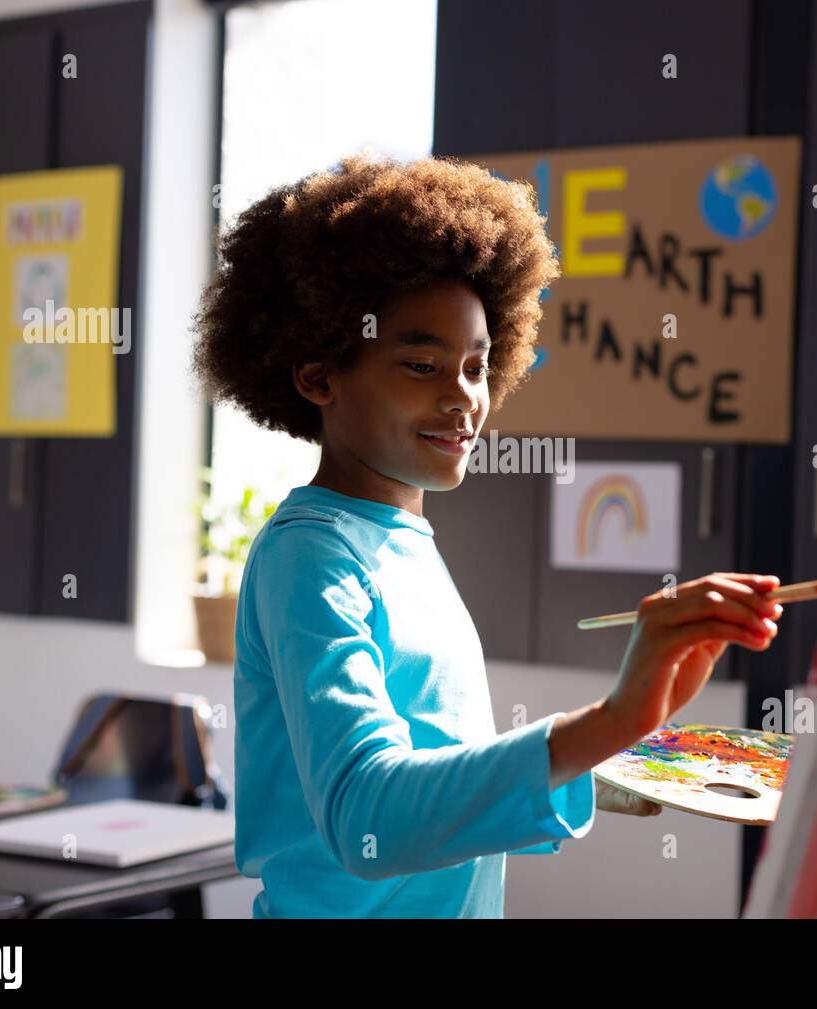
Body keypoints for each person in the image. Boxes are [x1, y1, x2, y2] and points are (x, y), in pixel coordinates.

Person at [191, 151, 783, 917]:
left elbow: (439, 775)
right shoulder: (310, 556)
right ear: (317, 376)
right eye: (419, 363)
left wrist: (626, 733)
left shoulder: (403, 542)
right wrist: (607, 719)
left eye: (476, 366)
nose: (461, 398)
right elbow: (368, 814)